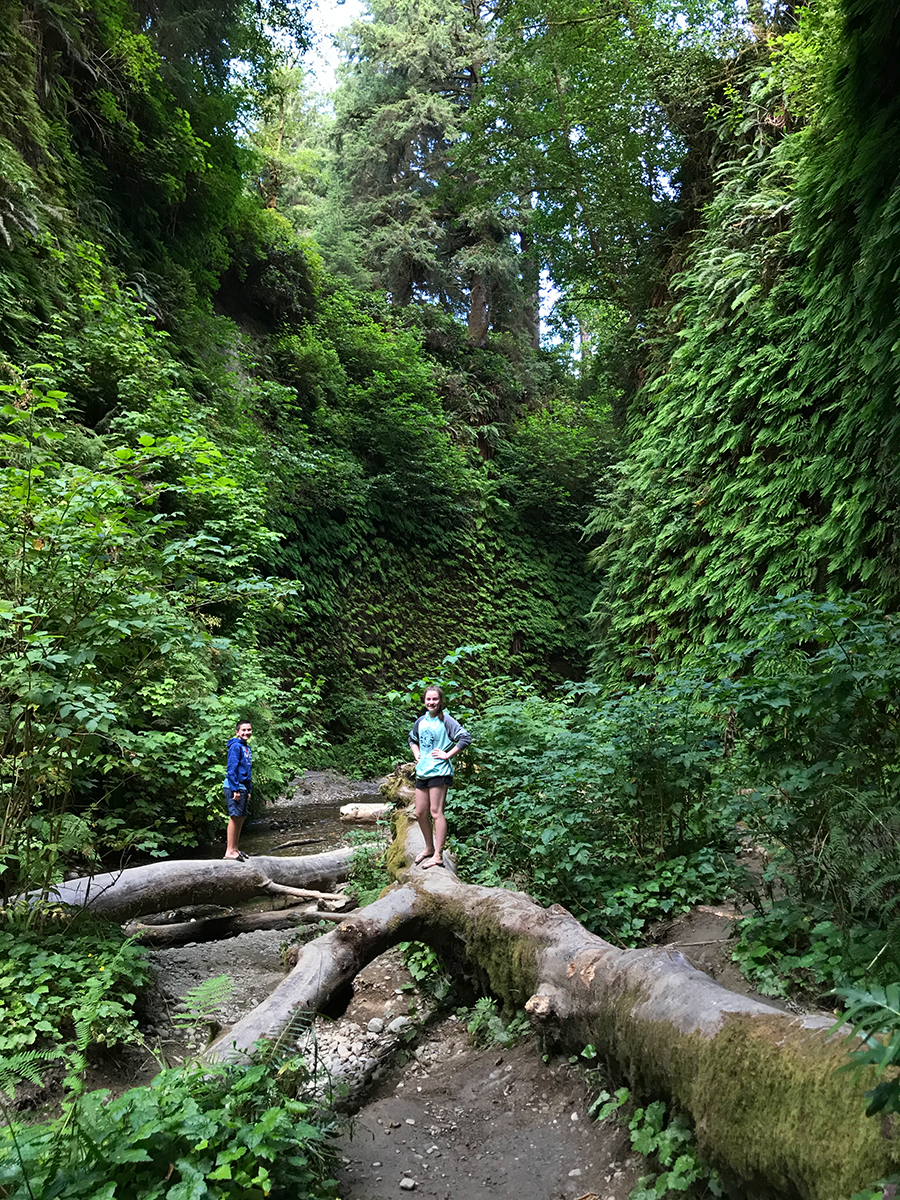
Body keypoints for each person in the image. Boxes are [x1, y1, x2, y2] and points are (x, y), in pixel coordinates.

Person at [408, 685, 471, 868]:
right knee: (420, 813)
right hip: (423, 771)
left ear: (440, 701)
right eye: (428, 699)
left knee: (436, 812)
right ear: (424, 701)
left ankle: (438, 855)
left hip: (439, 771)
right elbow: (412, 738)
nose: (431, 702)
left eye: (435, 699)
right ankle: (428, 848)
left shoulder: (446, 720)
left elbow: (465, 738)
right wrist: (416, 753)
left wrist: (447, 755)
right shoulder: (421, 721)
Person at [223, 720, 252, 861]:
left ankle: (235, 848)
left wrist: (249, 789)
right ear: (237, 732)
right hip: (234, 786)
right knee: (234, 817)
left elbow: (247, 770)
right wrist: (235, 789)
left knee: (241, 817)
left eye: (249, 730)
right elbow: (231, 768)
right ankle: (229, 851)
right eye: (243, 730)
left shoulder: (246, 747)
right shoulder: (235, 746)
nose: (246, 732)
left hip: (243, 787)